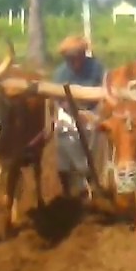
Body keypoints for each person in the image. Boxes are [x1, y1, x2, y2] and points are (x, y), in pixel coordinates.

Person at [51, 35, 106, 197]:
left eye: (76, 57)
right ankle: (67, 190)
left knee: (93, 143)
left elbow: (105, 91)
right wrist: (73, 111)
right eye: (69, 58)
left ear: (83, 54)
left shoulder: (97, 68)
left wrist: (91, 113)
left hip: (93, 110)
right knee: (63, 141)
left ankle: (90, 180)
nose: (73, 62)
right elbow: (58, 98)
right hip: (68, 112)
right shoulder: (61, 73)